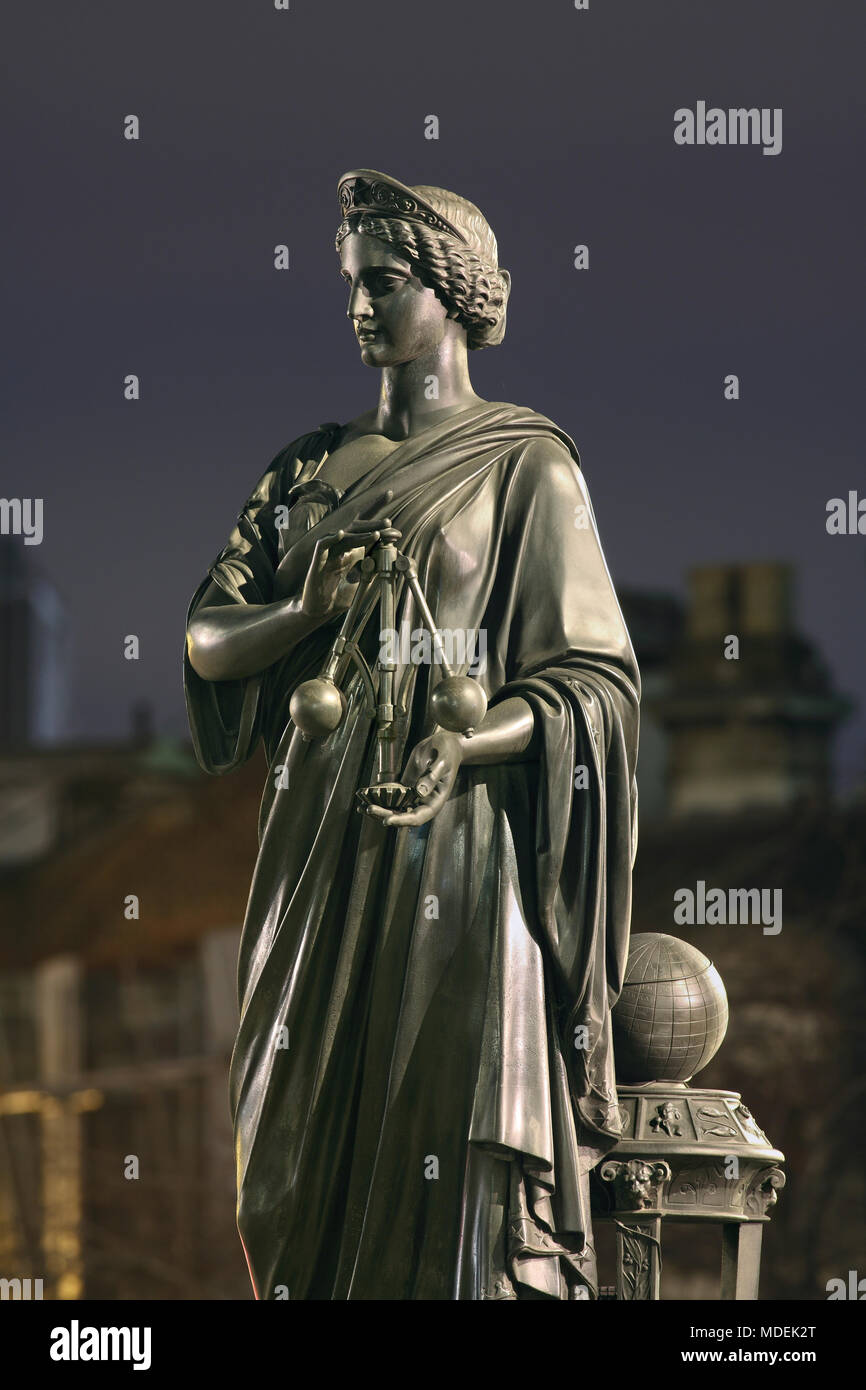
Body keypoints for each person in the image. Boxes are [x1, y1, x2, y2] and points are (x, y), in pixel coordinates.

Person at [184, 169, 640, 1300]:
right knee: (278, 1162)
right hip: (314, 834)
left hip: (463, 846)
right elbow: (202, 638)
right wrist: (301, 613)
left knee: (443, 1130)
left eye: (384, 281)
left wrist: (465, 746)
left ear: (450, 289)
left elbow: (592, 676)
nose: (359, 304)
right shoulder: (302, 468)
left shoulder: (526, 463)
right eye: (350, 283)